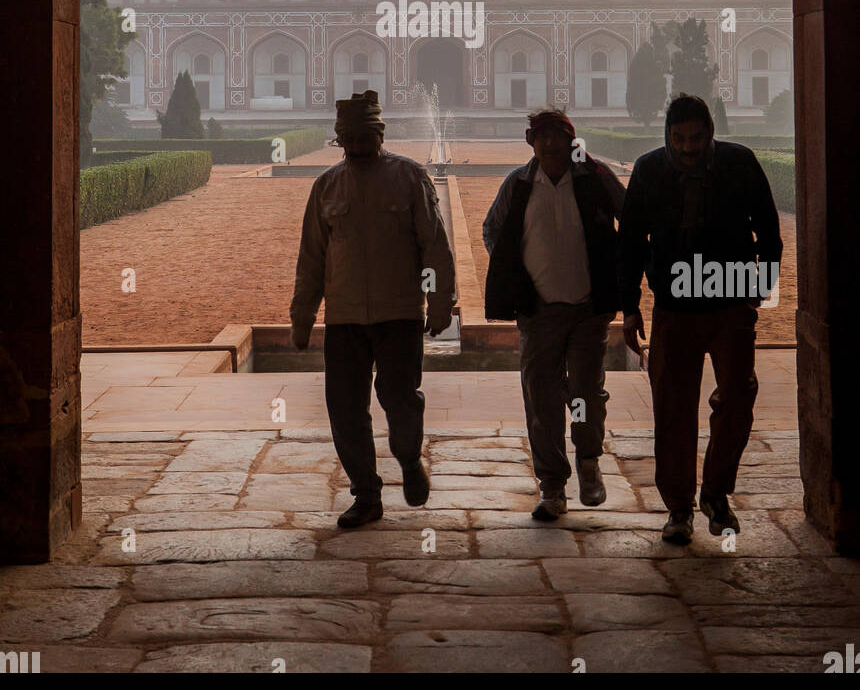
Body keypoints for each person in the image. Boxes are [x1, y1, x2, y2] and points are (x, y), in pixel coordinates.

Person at [618, 93, 783, 545]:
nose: (688, 147)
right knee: (673, 407)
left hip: (729, 303)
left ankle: (714, 493)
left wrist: (757, 291)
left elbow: (768, 229)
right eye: (679, 139)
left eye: (696, 138)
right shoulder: (651, 169)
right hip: (674, 308)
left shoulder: (739, 162)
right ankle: (678, 508)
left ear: (710, 133)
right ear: (668, 136)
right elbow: (631, 240)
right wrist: (630, 306)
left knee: (736, 397)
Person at [290, 90, 455, 528]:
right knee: (345, 408)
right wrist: (302, 316)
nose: (359, 144)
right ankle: (366, 494)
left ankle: (407, 458)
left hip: (398, 312)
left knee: (399, 398)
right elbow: (312, 257)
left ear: (379, 134)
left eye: (366, 135)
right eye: (351, 137)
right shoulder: (326, 185)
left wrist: (439, 303)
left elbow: (434, 246)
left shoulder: (409, 177)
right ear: (340, 139)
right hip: (344, 316)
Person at [483, 108, 626, 521]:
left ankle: (587, 461)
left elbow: (630, 218)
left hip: (587, 310)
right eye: (541, 137)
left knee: (583, 391)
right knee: (542, 399)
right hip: (539, 311)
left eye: (556, 137)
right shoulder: (520, 183)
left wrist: (615, 271)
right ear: (531, 141)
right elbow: (492, 229)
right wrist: (513, 272)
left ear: (570, 140)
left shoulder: (594, 178)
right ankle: (552, 486)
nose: (549, 145)